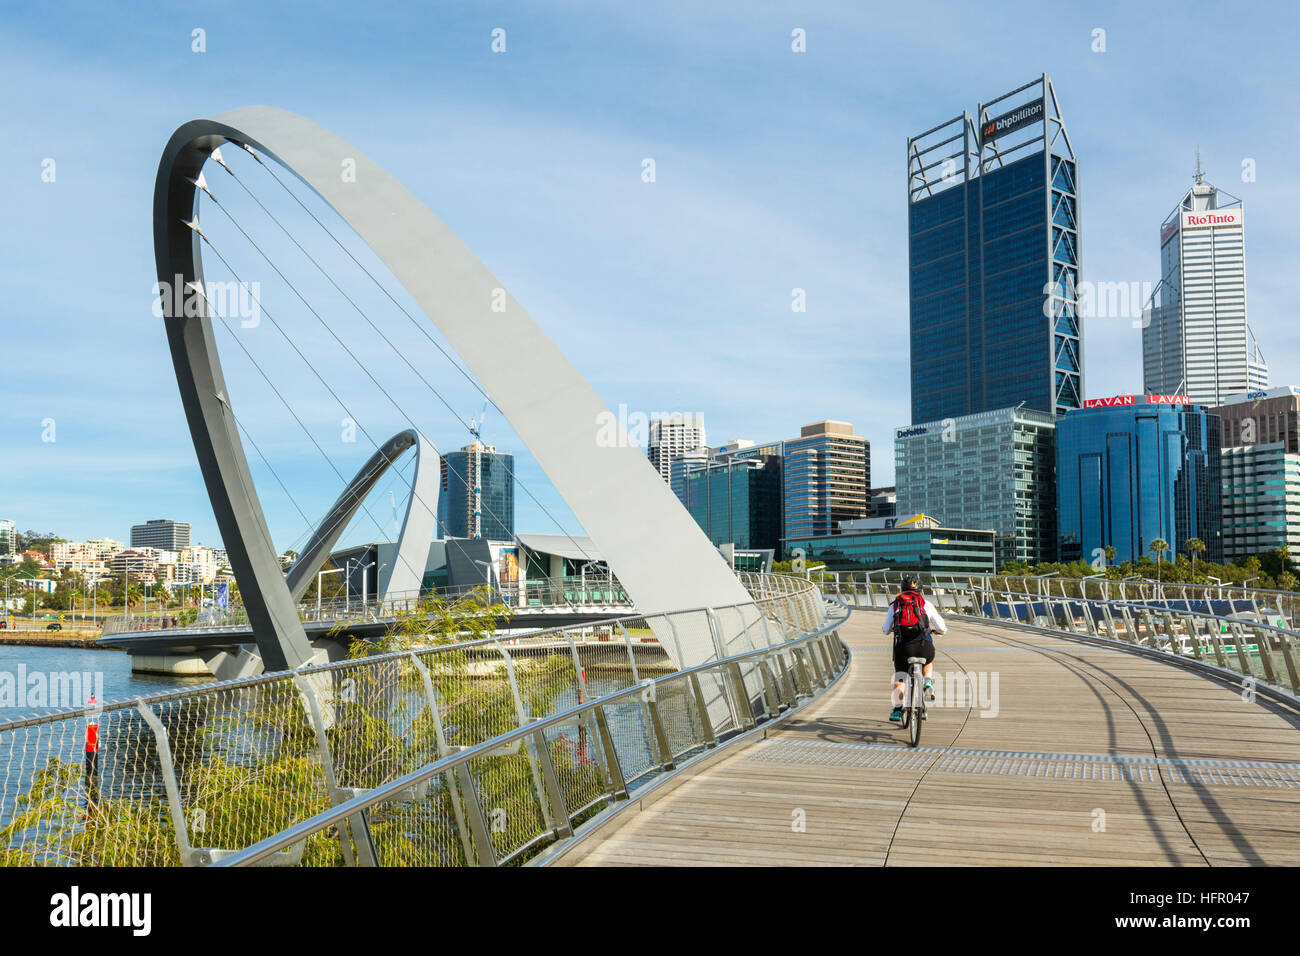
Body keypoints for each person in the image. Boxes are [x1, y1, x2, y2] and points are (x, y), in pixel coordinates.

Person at [881, 575, 946, 723]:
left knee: (900, 676)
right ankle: (928, 682)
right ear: (920, 591)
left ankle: (898, 709)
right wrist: (937, 632)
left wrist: (892, 629)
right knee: (928, 660)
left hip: (904, 649)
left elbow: (885, 630)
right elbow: (942, 628)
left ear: (902, 589)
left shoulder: (895, 605)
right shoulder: (926, 604)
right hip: (924, 647)